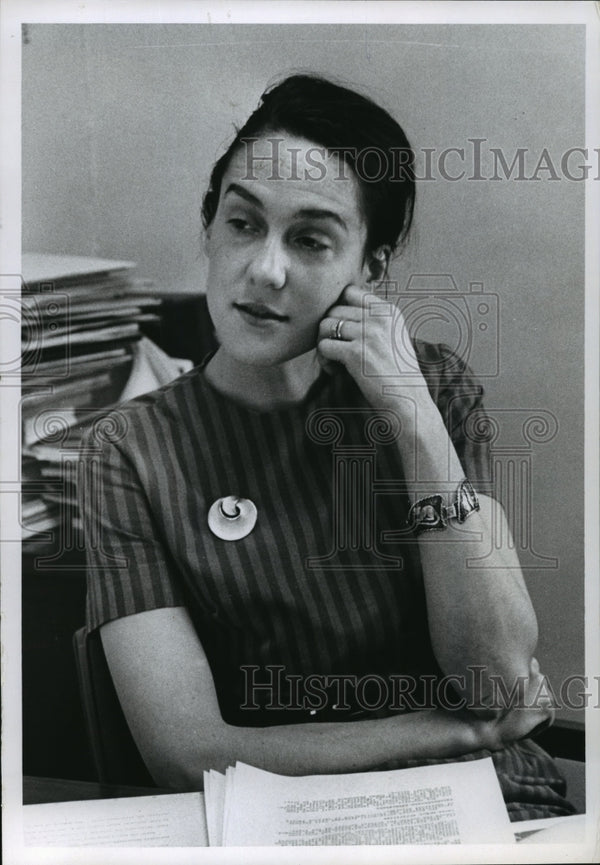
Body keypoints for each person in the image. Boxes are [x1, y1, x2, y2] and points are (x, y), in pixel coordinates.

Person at [80, 74, 575, 821]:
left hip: (493, 808)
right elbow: (184, 754)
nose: (265, 269)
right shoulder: (130, 449)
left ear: (369, 268)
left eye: (311, 240)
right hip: (283, 822)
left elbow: (497, 681)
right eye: (243, 223)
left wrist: (410, 417)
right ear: (208, 224)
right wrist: (450, 730)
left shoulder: (435, 388)